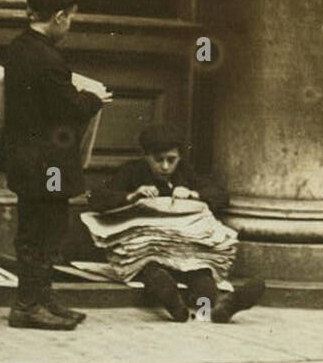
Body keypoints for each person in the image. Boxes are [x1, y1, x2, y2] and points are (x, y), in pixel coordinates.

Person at [0, 0, 112, 331]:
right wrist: (93, 99)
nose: (70, 23)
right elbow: (68, 109)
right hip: (46, 164)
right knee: (42, 232)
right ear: (58, 17)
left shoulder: (19, 47)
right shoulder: (48, 58)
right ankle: (28, 305)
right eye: (70, 16)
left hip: (29, 161)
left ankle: (41, 300)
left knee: (41, 228)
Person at [90, 123, 266, 323]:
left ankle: (214, 310)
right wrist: (132, 195)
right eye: (158, 160)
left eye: (171, 160)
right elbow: (96, 198)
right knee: (155, 275)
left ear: (179, 157)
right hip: (149, 253)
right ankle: (175, 306)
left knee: (203, 278)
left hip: (188, 254)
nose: (165, 167)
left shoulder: (185, 173)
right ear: (146, 156)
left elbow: (221, 196)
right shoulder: (132, 172)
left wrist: (194, 194)